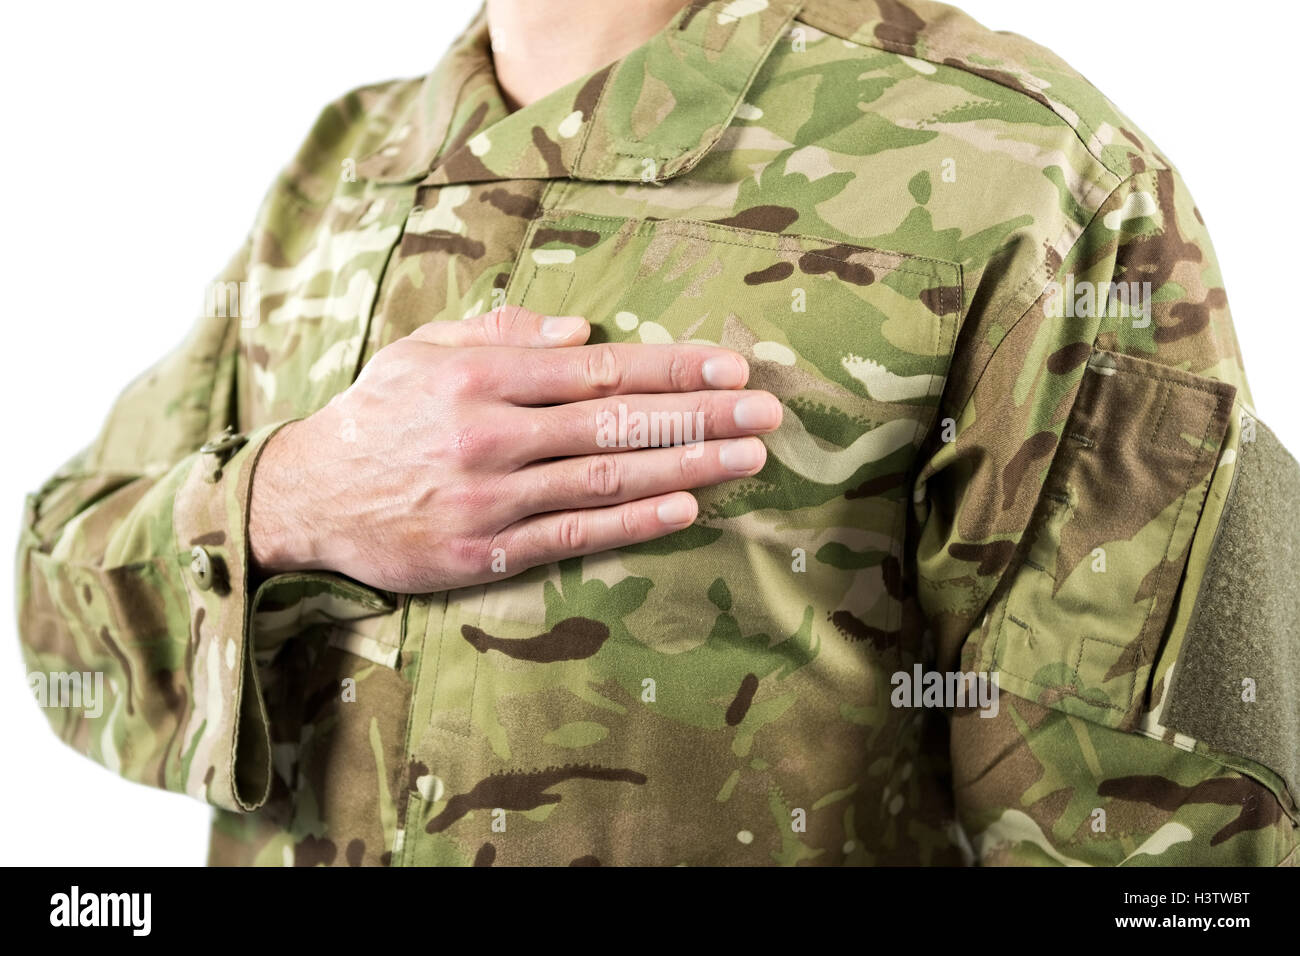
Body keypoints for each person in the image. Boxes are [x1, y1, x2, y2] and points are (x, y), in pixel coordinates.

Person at [18, 0, 1299, 866]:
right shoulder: (342, 167)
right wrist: (284, 502)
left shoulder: (1027, 175)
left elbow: (1177, 861)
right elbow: (53, 599)